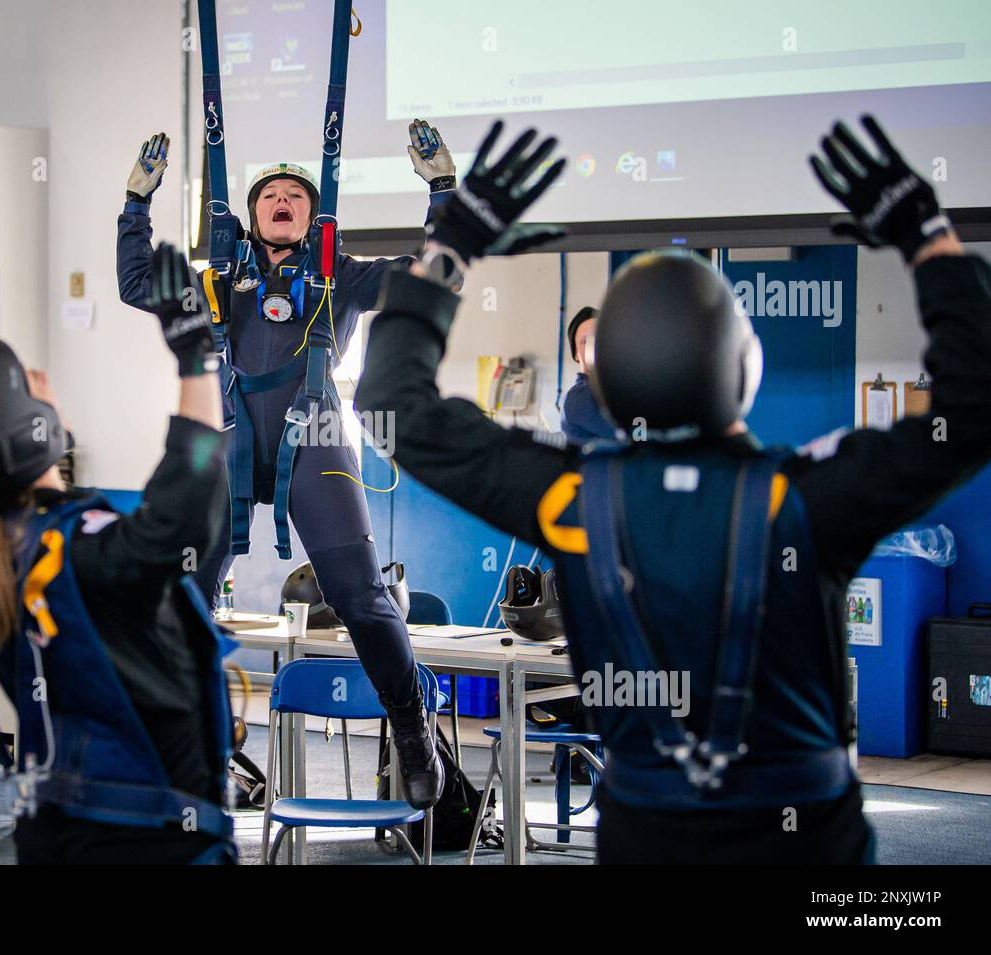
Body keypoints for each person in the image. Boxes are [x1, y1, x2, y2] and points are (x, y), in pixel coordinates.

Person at [354, 116, 991, 864]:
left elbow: (390, 406)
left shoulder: (572, 500)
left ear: (609, 383)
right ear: (744, 369)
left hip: (644, 835)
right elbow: (975, 402)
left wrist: (452, 247)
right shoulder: (807, 501)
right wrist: (930, 241)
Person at [114, 121, 464, 808]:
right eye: (268, 194)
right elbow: (134, 283)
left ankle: (412, 729)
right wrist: (135, 204)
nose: (281, 200)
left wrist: (442, 193)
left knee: (361, 596)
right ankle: (190, 742)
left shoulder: (341, 273)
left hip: (319, 430)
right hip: (230, 435)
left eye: (295, 195)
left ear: (312, 215)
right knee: (182, 595)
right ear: (250, 217)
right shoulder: (220, 281)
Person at [0, 243, 237, 864]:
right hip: (145, 845)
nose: (48, 382)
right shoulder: (82, 552)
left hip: (54, 834)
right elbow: (185, 510)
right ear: (20, 426)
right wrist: (196, 354)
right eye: (32, 382)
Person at [559, 306, 616, 444]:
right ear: (576, 354)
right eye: (585, 341)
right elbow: (639, 436)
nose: (594, 345)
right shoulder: (580, 397)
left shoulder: (616, 390)